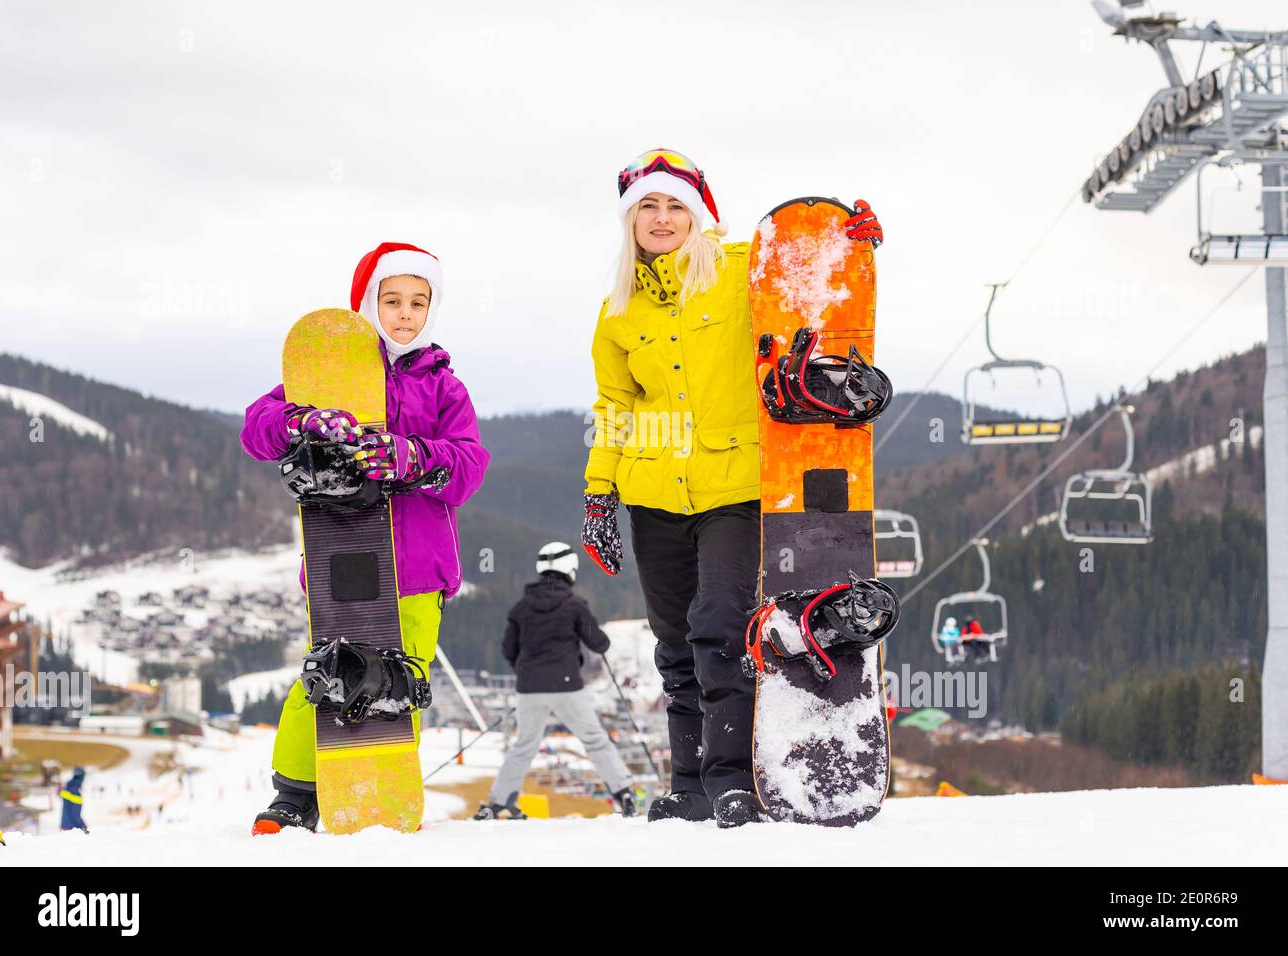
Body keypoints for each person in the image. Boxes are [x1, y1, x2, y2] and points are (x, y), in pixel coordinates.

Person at [580, 148, 883, 827]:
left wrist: (844, 242)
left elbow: (802, 275)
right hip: (653, 493)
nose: (661, 219)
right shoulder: (617, 310)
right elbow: (614, 407)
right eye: (647, 208)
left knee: (719, 625)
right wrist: (600, 495)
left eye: (674, 205)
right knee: (674, 644)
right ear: (630, 221)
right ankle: (687, 782)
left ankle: (731, 777)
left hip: (735, 486)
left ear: (699, 214)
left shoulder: (743, 269)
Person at [240, 242, 491, 834]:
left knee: (404, 673)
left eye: (419, 302)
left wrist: (408, 455)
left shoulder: (444, 388)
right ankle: (295, 795)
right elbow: (256, 430)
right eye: (393, 299)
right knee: (328, 670)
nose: (406, 313)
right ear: (368, 303)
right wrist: (301, 418)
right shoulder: (328, 373)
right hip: (345, 559)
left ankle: (383, 780)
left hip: (421, 565)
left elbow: (469, 467)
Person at [475, 542, 637, 820]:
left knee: (524, 745)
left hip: (529, 688)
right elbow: (598, 642)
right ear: (569, 568)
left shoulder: (521, 608)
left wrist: (528, 672)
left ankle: (500, 801)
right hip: (567, 686)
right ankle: (624, 793)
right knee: (594, 740)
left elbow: (507, 650)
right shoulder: (574, 605)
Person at [59, 767, 88, 833]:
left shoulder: (67, 788)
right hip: (73, 830)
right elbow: (75, 815)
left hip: (65, 826)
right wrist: (83, 827)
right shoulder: (75, 791)